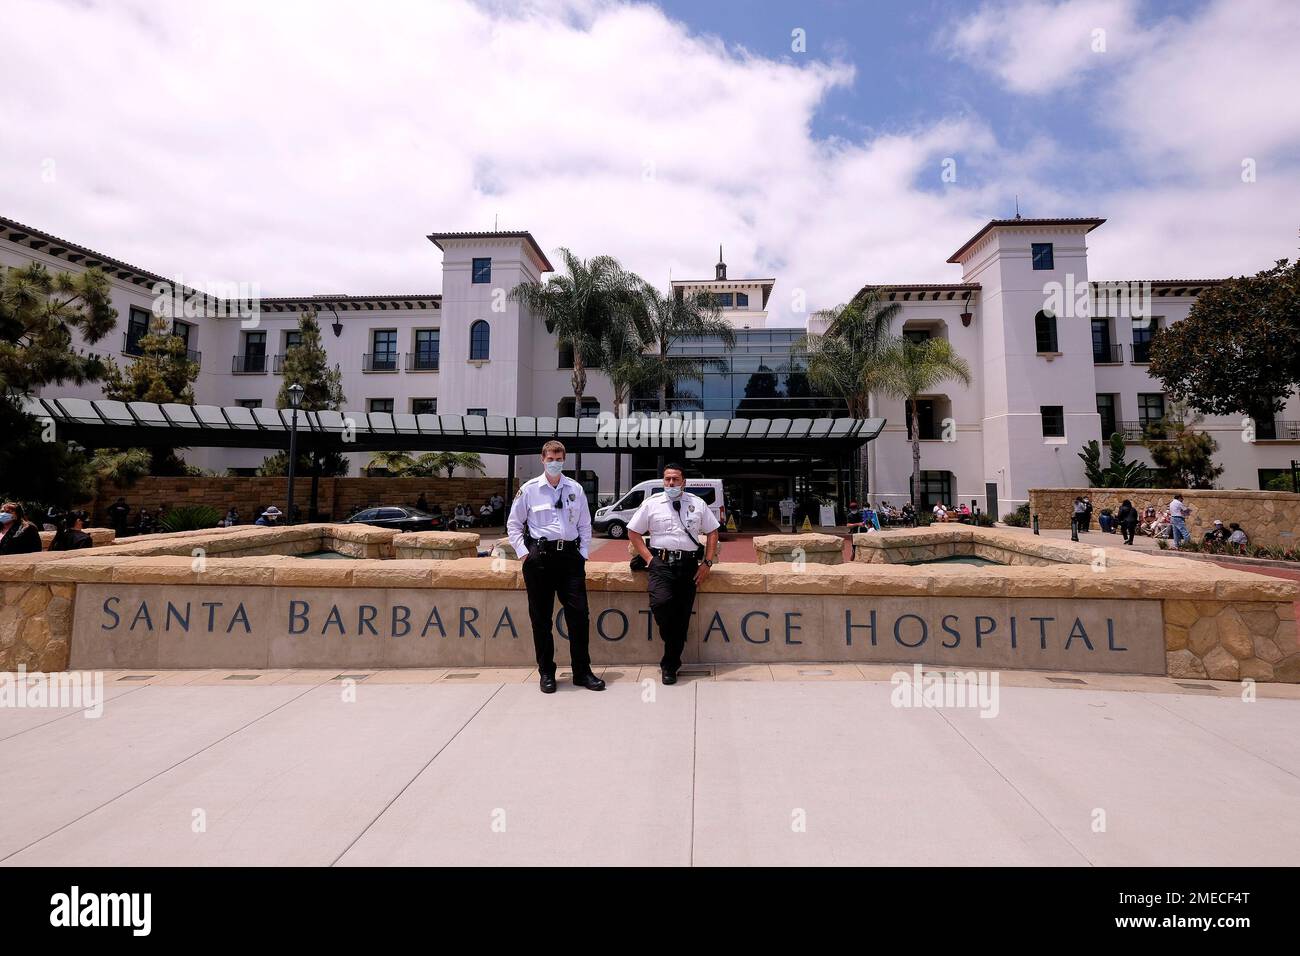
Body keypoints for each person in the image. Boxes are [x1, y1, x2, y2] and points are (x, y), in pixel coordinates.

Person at [506, 440, 604, 695]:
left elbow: (585, 524)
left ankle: (582, 672)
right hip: (540, 559)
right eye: (550, 458)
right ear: (542, 459)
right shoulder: (529, 490)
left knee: (579, 617)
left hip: (570, 560)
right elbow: (514, 525)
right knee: (541, 619)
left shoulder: (575, 488)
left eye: (558, 458)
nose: (554, 462)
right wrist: (525, 554)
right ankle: (546, 673)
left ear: (564, 459)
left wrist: (582, 554)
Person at [627, 462, 721, 686]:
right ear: (663, 481)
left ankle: (670, 665)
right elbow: (633, 531)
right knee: (660, 604)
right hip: (661, 564)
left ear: (684, 482)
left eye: (675, 479)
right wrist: (649, 559)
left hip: (688, 566)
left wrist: (707, 563)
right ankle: (673, 644)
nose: (671, 483)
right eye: (667, 479)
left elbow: (713, 531)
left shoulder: (697, 504)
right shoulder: (652, 504)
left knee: (681, 617)